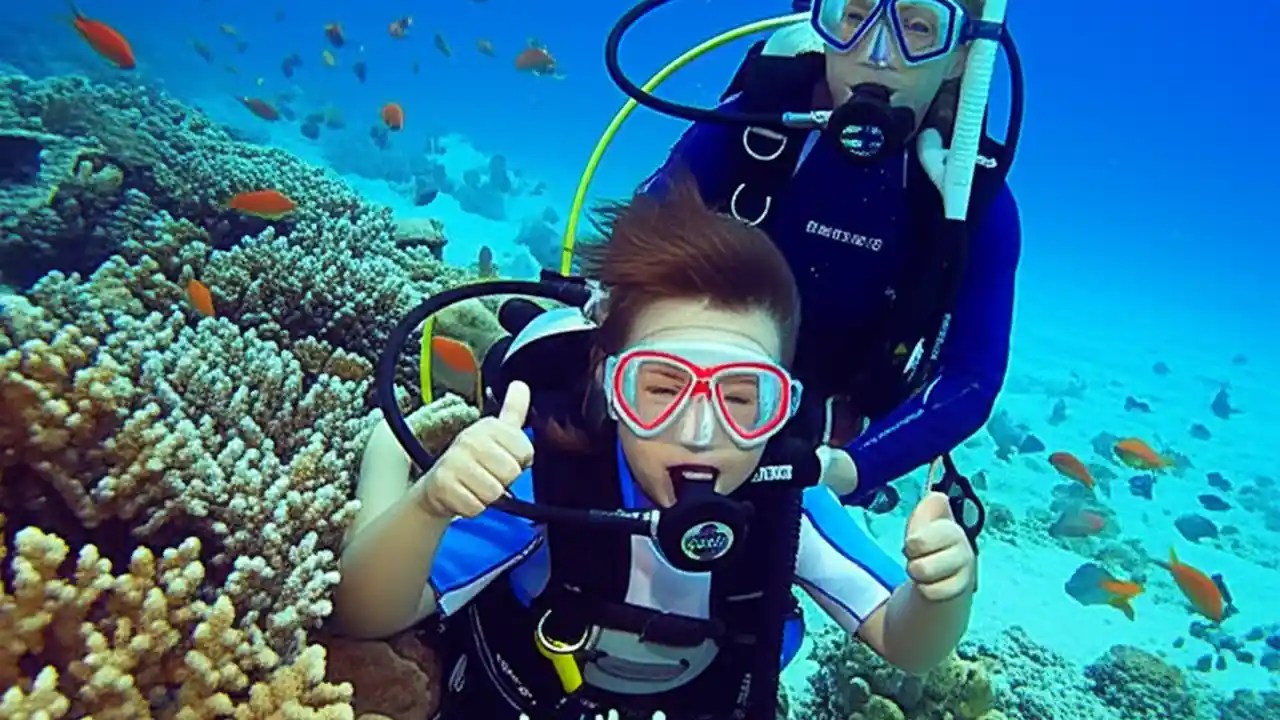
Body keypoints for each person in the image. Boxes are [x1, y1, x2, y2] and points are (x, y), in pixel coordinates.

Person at [337, 180, 977, 720]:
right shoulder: (548, 479)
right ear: (610, 391)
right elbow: (366, 615)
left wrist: (941, 597)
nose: (700, 432)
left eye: (742, 397)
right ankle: (389, 452)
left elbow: (904, 641)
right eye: (662, 388)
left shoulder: (788, 502)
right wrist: (427, 504)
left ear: (785, 408)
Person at [638, 0, 1022, 514]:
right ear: (821, 23)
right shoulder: (750, 127)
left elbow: (971, 378)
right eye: (855, 15)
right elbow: (633, 257)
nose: (879, 54)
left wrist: (852, 468)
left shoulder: (974, 202)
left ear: (960, 57)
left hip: (830, 444)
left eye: (918, 27)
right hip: (689, 400)